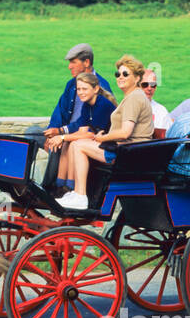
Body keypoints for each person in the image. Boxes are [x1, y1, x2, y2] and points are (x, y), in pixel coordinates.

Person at [56, 55, 155, 210]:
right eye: (118, 74)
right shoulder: (132, 97)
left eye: (125, 74)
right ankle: (76, 192)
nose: (120, 77)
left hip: (128, 153)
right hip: (124, 149)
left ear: (136, 78)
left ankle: (80, 196)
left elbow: (125, 133)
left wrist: (102, 137)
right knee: (77, 143)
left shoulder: (135, 98)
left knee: (78, 145)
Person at [48, 72, 115, 187]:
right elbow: (82, 131)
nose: (80, 93)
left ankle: (70, 187)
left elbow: (90, 135)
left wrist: (62, 137)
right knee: (67, 143)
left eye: (84, 89)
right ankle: (60, 185)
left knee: (75, 143)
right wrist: (63, 138)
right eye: (79, 89)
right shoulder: (87, 105)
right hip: (97, 142)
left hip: (110, 147)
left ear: (96, 89)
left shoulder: (102, 105)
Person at [42, 44, 113, 152]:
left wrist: (60, 133)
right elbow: (59, 111)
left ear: (86, 62)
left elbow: (90, 130)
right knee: (32, 132)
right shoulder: (71, 84)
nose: (69, 66)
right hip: (67, 133)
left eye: (73, 62)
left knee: (60, 146)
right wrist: (51, 132)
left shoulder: (102, 86)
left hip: (84, 139)